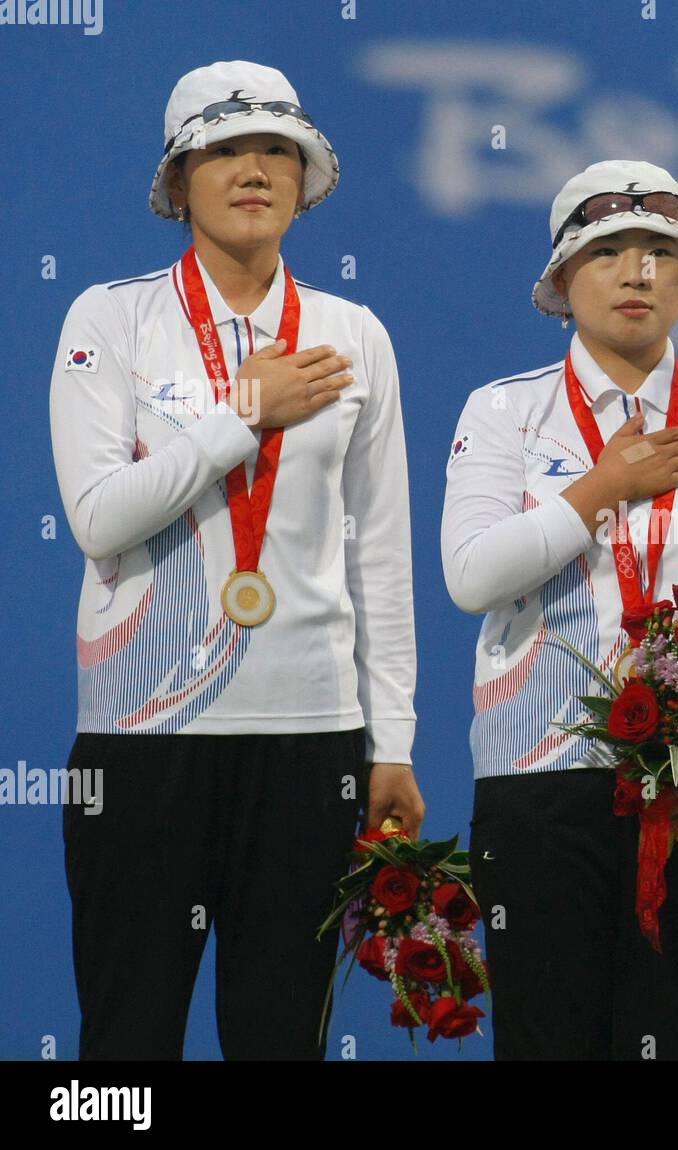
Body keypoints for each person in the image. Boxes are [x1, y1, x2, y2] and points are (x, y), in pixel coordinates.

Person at [49, 60, 424, 1060]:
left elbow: (380, 556)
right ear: (177, 183)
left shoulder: (355, 337)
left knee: (280, 1039)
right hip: (142, 738)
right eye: (222, 149)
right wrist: (242, 414)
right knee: (125, 1043)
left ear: (307, 178)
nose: (253, 169)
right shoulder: (108, 319)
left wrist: (391, 742)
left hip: (312, 741)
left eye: (276, 150)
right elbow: (97, 519)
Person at [441, 159, 678, 1060]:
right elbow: (470, 576)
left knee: (676, 1043)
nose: (637, 271)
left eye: (661, 252)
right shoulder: (504, 412)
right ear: (562, 282)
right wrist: (600, 490)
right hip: (538, 785)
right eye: (607, 250)